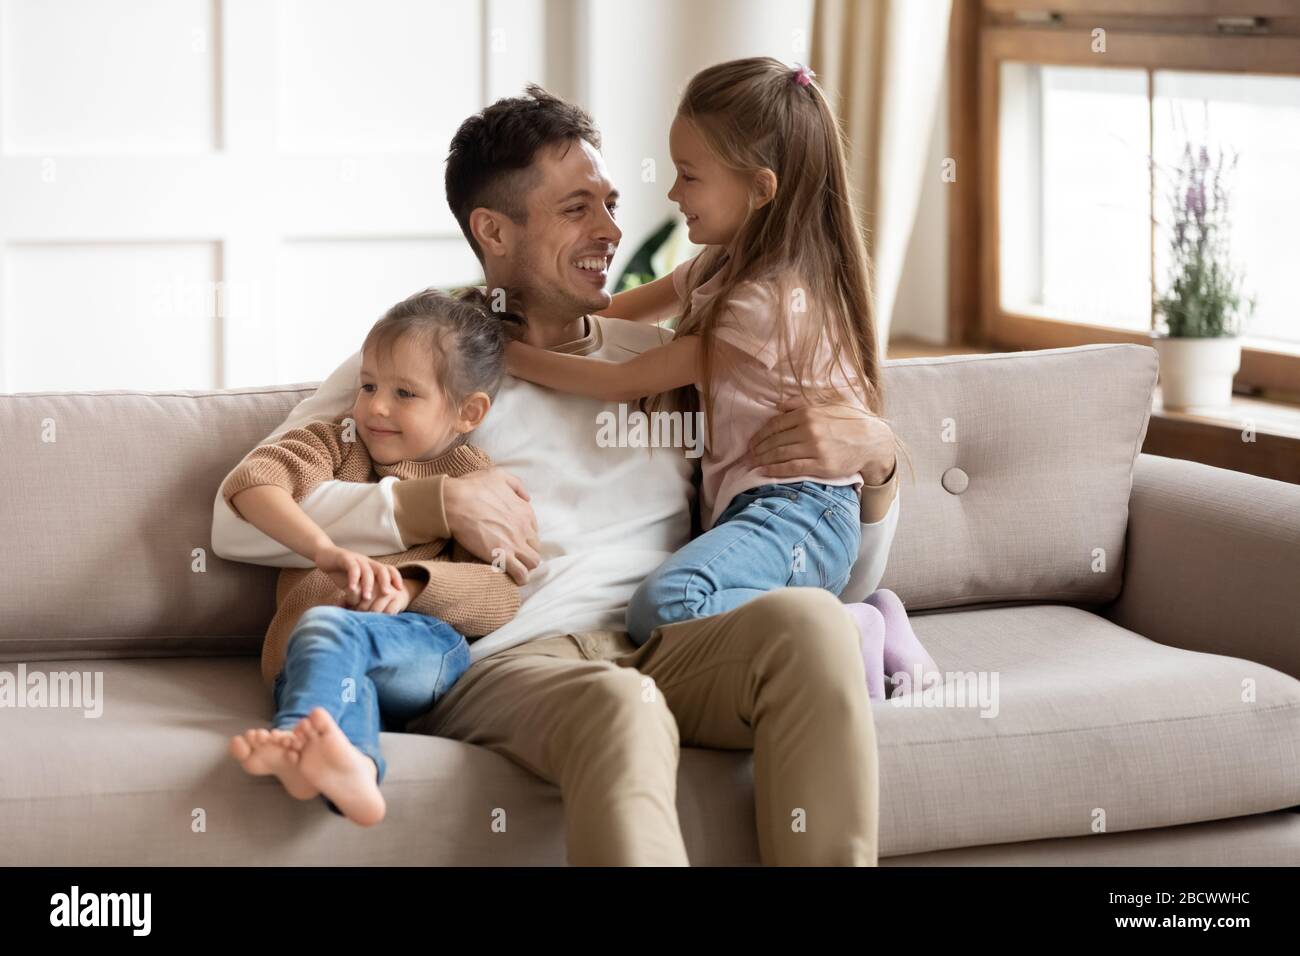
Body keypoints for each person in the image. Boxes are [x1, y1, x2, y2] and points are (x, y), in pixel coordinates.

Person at [212, 78, 900, 865]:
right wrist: (436, 502)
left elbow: (823, 567)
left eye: (610, 202)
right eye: (578, 209)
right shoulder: (421, 366)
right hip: (517, 662)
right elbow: (233, 520)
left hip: (672, 638)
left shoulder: (672, 361)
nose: (613, 229)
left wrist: (874, 469)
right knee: (623, 702)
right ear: (493, 232)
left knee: (810, 625)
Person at [506, 58, 938, 698]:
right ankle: (869, 618)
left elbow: (626, 379)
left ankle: (850, 630)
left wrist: (506, 355)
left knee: (670, 605)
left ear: (760, 189)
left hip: (800, 513)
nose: (673, 193)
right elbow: (614, 310)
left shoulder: (762, 304)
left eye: (689, 176)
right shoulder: (718, 267)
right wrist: (518, 311)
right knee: (673, 611)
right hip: (758, 515)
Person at [222, 289, 520, 826]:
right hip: (309, 660)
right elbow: (251, 483)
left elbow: (501, 590)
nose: (375, 406)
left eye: (405, 393)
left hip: (419, 650)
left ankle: (294, 740)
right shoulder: (336, 444)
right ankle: (349, 767)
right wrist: (325, 550)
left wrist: (407, 587)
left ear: (467, 412)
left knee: (330, 630)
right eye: (368, 386)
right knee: (327, 650)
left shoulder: (474, 478)